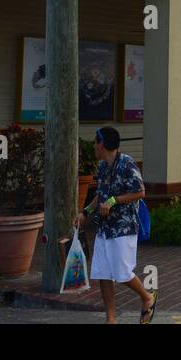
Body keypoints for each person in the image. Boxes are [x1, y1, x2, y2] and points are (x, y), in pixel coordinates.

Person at [75, 126, 156, 324]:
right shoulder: (102, 167)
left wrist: (113, 201)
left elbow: (140, 192)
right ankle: (110, 319)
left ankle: (147, 297)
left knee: (122, 273)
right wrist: (85, 212)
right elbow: (100, 194)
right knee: (103, 274)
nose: (94, 146)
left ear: (102, 144)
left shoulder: (127, 164)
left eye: (95, 142)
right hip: (105, 228)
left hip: (123, 227)